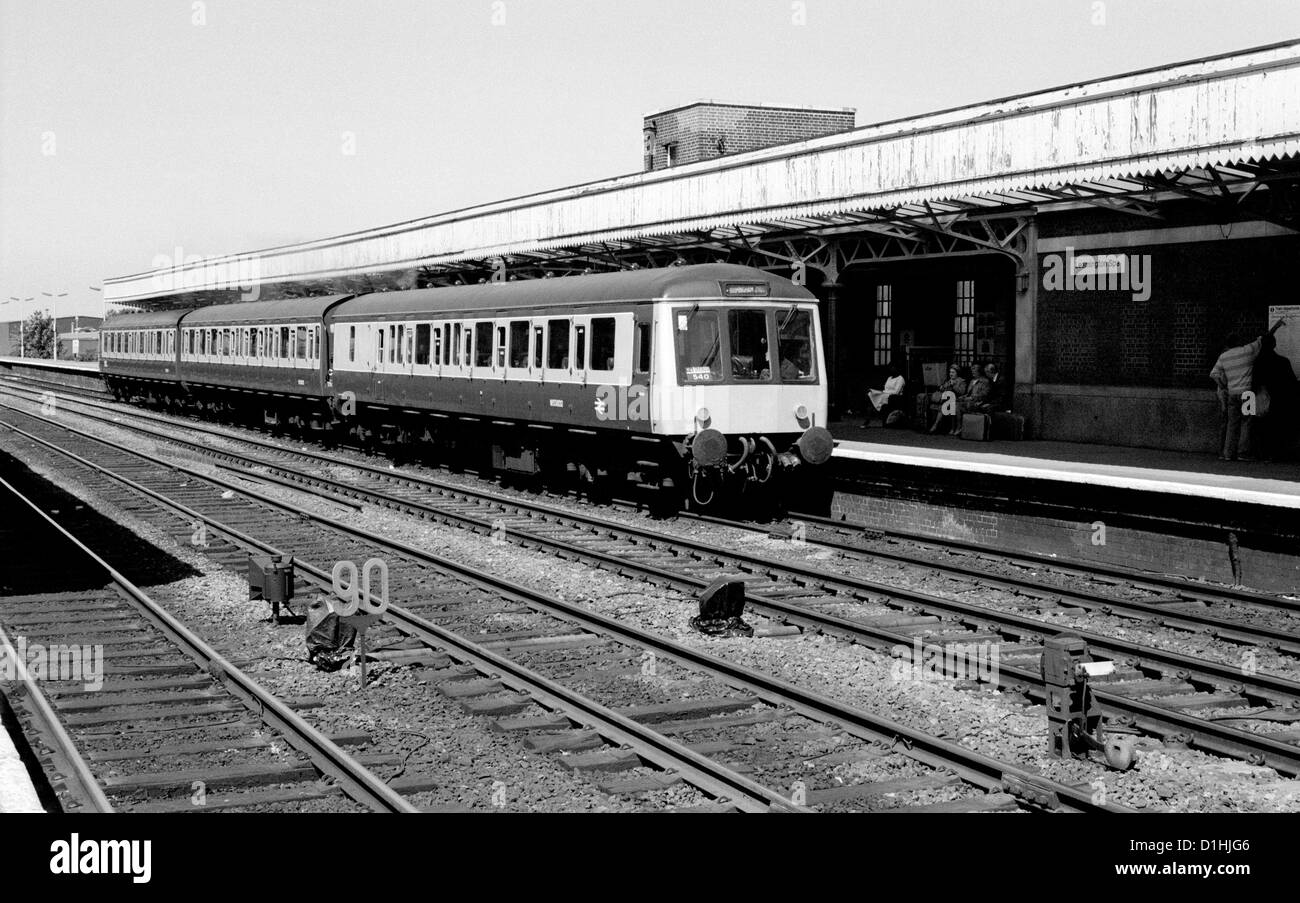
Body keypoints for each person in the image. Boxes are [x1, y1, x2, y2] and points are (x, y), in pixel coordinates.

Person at [1210, 319, 1286, 461]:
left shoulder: (1224, 356)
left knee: (1232, 424)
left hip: (1232, 393)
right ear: (1238, 342)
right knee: (1246, 422)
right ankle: (1243, 453)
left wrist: (1223, 384)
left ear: (1228, 343)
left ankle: (1228, 453)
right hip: (1247, 394)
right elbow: (1263, 339)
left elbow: (1213, 374)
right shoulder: (1247, 351)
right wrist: (1275, 326)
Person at [1252, 332, 1297, 462]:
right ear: (1274, 344)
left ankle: (1263, 453)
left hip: (1262, 398)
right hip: (1280, 399)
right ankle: (1277, 453)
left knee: (1262, 427)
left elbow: (1254, 383)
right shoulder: (1283, 361)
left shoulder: (1257, 362)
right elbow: (1291, 382)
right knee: (1278, 427)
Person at [928, 365, 968, 434]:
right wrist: (942, 387)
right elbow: (943, 390)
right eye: (950, 372)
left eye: (953, 372)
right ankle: (937, 425)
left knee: (947, 405)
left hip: (957, 400)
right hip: (948, 400)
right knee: (944, 405)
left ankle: (954, 427)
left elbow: (962, 392)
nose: (951, 374)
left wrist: (953, 386)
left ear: (957, 373)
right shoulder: (948, 381)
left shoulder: (961, 381)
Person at [954, 363, 990, 434]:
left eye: (974, 371)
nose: (973, 372)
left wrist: (972, 397)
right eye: (972, 371)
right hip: (969, 400)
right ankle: (959, 426)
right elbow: (968, 393)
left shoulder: (985, 381)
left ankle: (960, 427)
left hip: (978, 402)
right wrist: (963, 397)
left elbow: (984, 394)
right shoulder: (972, 381)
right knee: (956, 404)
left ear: (979, 372)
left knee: (961, 406)